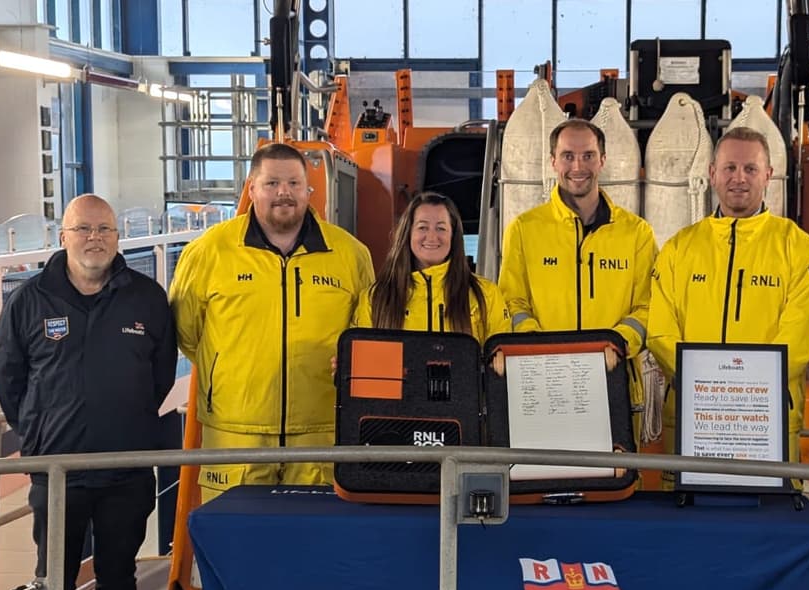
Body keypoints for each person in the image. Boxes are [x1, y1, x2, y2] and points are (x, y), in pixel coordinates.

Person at [0, 194, 176, 590]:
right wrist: (36, 435)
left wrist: (128, 420)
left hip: (126, 470)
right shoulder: (28, 301)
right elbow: (8, 378)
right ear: (63, 236)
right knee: (54, 579)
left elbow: (159, 377)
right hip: (57, 474)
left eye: (104, 230)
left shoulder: (147, 298)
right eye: (84, 229)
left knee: (119, 574)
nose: (94, 238)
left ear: (117, 238)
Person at [169, 143, 375, 501]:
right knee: (234, 548)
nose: (284, 193)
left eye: (295, 184)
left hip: (323, 429)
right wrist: (230, 369)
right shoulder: (209, 252)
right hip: (235, 433)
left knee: (316, 547)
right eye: (272, 183)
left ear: (308, 191)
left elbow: (367, 335)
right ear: (251, 189)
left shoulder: (350, 255)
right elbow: (187, 331)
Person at [648, 126, 809, 465]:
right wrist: (707, 391)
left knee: (763, 515)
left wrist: (738, 396)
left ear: (768, 175)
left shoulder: (799, 248)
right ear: (712, 174)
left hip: (766, 421)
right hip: (692, 417)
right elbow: (660, 332)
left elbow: (797, 342)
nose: (739, 178)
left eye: (750, 169)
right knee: (686, 516)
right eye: (729, 168)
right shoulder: (678, 248)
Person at [498, 118, 657, 409]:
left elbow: (649, 306)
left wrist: (617, 343)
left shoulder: (636, 233)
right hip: (543, 377)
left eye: (588, 156)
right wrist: (537, 347)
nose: (578, 167)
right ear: (553, 162)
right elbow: (512, 301)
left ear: (602, 161)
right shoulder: (524, 229)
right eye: (568, 156)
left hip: (614, 377)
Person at [355, 192, 510, 342]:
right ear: (408, 233)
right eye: (423, 227)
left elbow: (500, 354)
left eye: (441, 228)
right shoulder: (375, 298)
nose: (431, 237)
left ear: (453, 235)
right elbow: (359, 359)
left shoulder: (487, 295)